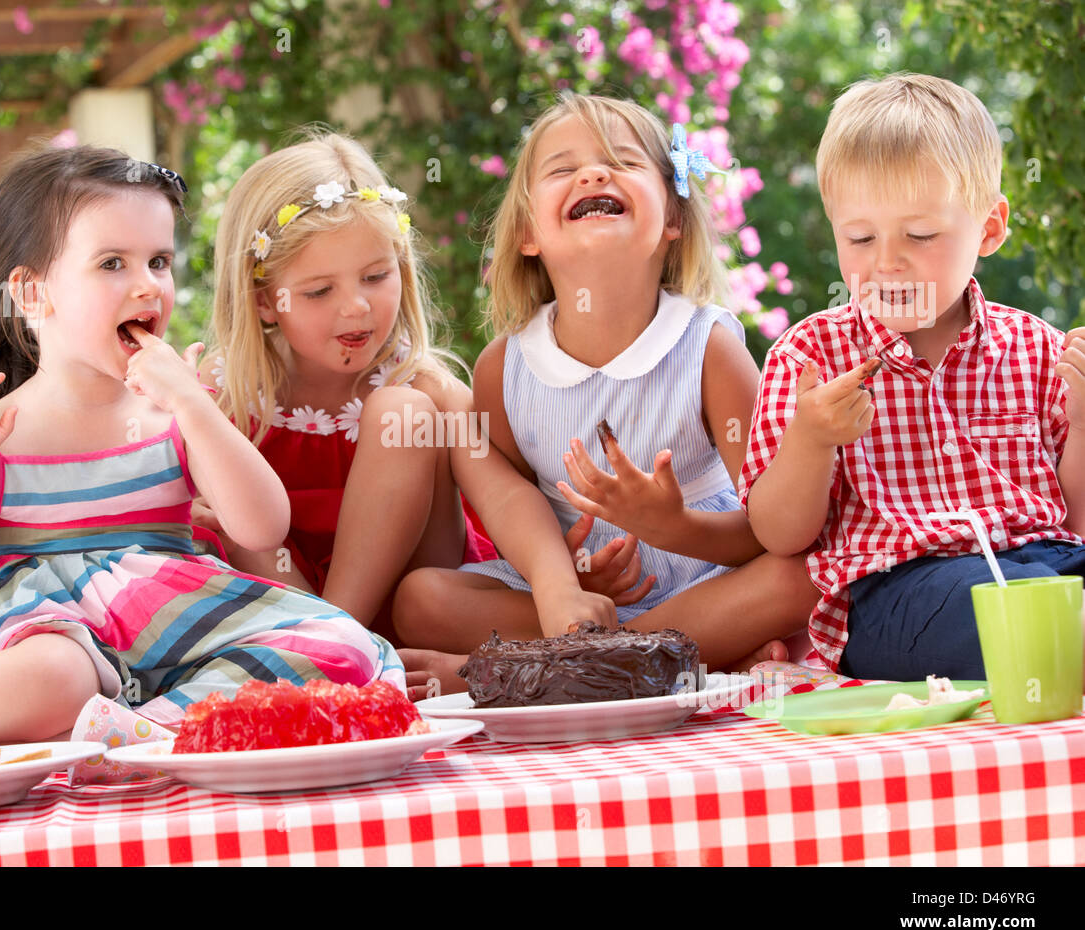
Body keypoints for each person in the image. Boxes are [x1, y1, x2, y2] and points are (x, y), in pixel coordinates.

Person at [0, 144, 401, 761]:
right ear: (31, 294)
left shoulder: (174, 407)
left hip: (169, 633)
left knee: (340, 648)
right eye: (112, 263)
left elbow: (263, 526)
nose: (147, 286)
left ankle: (135, 734)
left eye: (159, 262)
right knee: (58, 673)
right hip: (37, 640)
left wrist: (193, 405)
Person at [396, 92, 818, 694]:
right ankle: (672, 661)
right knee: (422, 599)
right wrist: (569, 581)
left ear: (672, 219)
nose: (594, 173)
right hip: (576, 601)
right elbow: (516, 511)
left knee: (799, 574)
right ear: (526, 233)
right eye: (563, 169)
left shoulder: (708, 347)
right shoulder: (504, 368)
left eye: (622, 161)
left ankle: (533, 672)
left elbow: (768, 526)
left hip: (705, 580)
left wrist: (674, 527)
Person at [740, 73, 1085, 680]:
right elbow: (779, 536)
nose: (887, 260)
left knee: (1047, 596)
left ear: (990, 229)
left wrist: (1082, 425)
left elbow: (1075, 524)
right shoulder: (810, 356)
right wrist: (811, 442)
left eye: (920, 234)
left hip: (1046, 564)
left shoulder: (1035, 348)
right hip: (896, 593)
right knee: (1034, 615)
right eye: (860, 237)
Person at [199, 131, 495, 641]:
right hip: (284, 606)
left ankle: (340, 642)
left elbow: (507, 501)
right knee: (216, 478)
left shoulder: (430, 388)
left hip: (411, 615)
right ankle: (328, 643)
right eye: (319, 290)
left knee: (403, 411)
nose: (356, 307)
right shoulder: (226, 393)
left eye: (376, 277)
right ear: (265, 301)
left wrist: (562, 566)